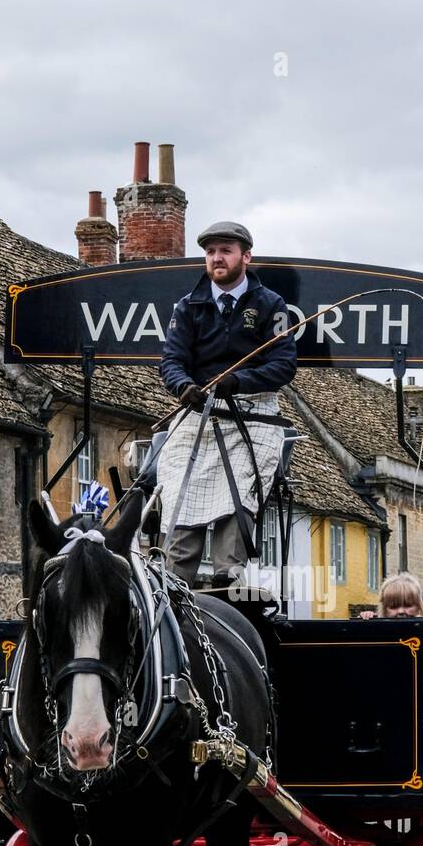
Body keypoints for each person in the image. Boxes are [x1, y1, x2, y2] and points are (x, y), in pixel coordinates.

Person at [158, 221, 298, 588]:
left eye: (225, 251)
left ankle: (227, 590)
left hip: (253, 417)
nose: (217, 258)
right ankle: (172, 592)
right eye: (210, 252)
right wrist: (183, 386)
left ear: (245, 257)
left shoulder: (271, 305)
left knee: (236, 509)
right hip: (197, 417)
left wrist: (239, 381)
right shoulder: (188, 306)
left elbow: (283, 365)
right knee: (178, 500)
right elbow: (171, 361)